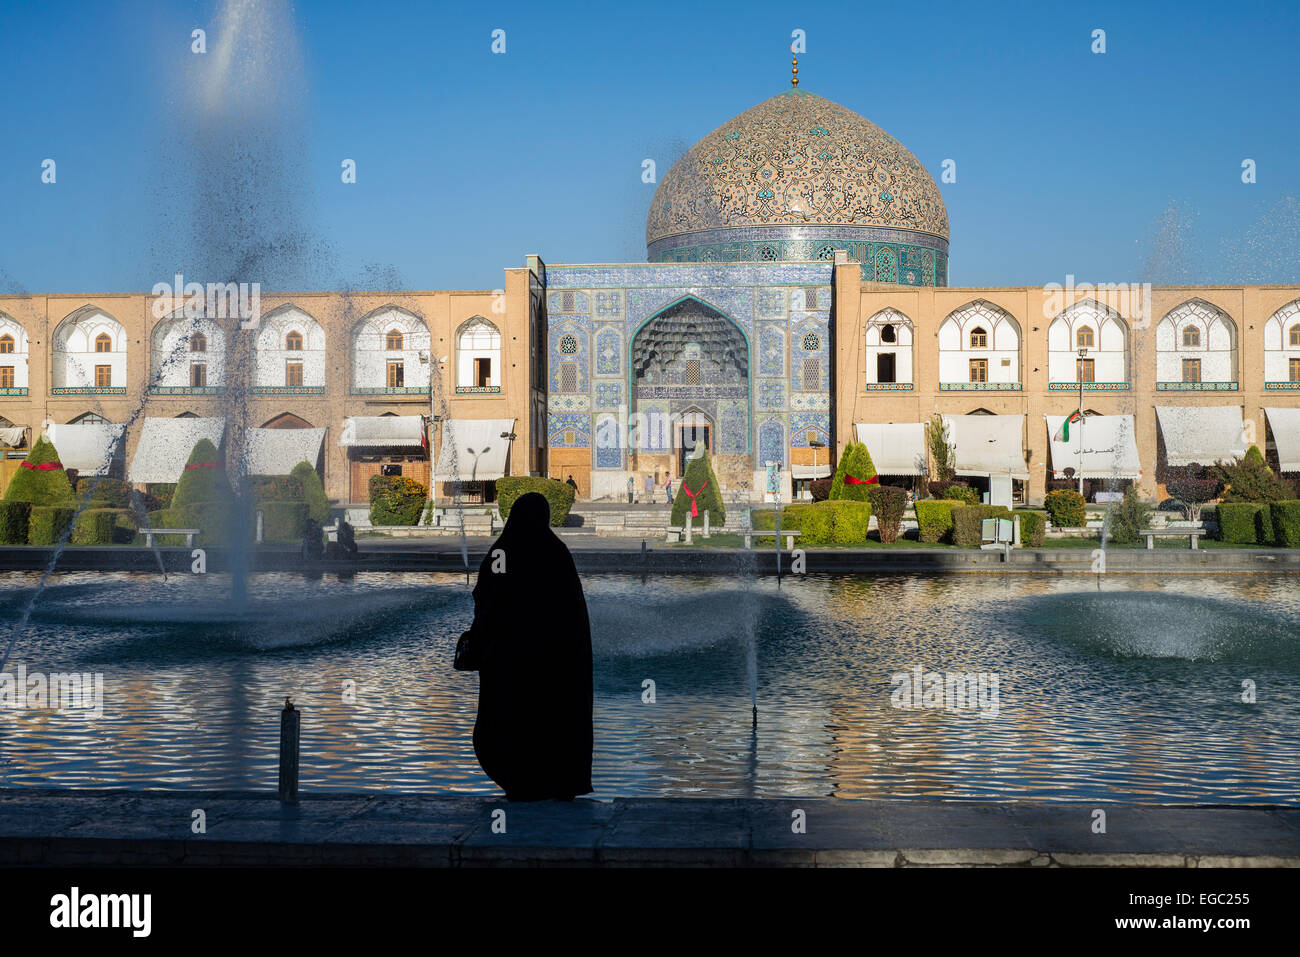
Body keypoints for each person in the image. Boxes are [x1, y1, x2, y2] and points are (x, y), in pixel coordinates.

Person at [455, 492, 593, 801]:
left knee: (510, 722)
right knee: (551, 722)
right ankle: (556, 782)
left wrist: (477, 641)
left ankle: (522, 782)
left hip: (511, 662)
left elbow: (489, 603)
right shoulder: (556, 552)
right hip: (554, 663)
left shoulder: (504, 552)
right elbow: (572, 615)